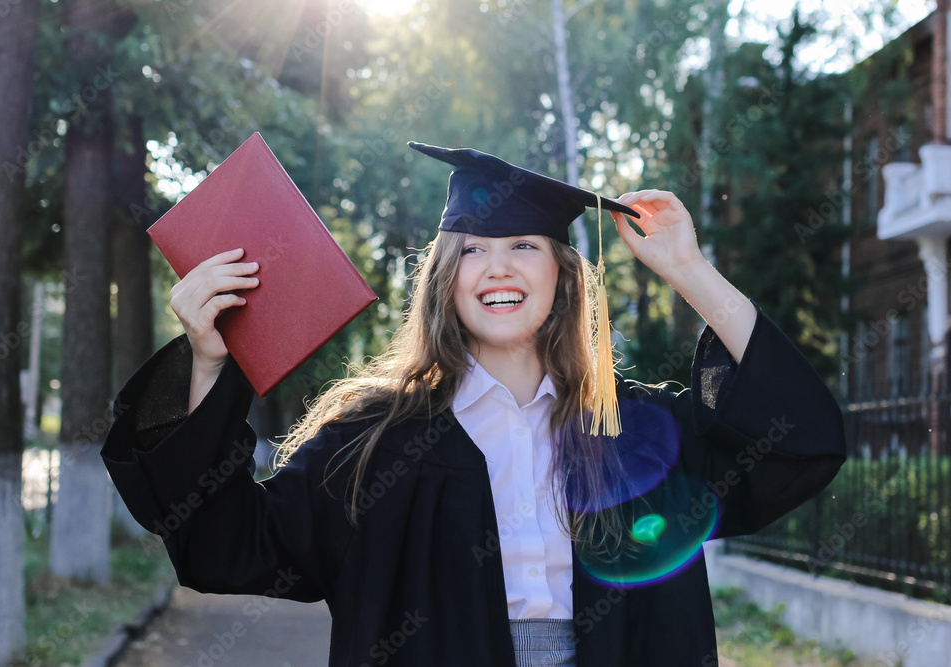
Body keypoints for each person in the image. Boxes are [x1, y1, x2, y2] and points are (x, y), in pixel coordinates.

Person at [101, 141, 847, 667]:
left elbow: (799, 443)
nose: (497, 267)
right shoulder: (377, 441)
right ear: (445, 279)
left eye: (524, 246)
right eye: (472, 250)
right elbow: (226, 544)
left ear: (562, 276)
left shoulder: (635, 432)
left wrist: (689, 270)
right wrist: (210, 358)